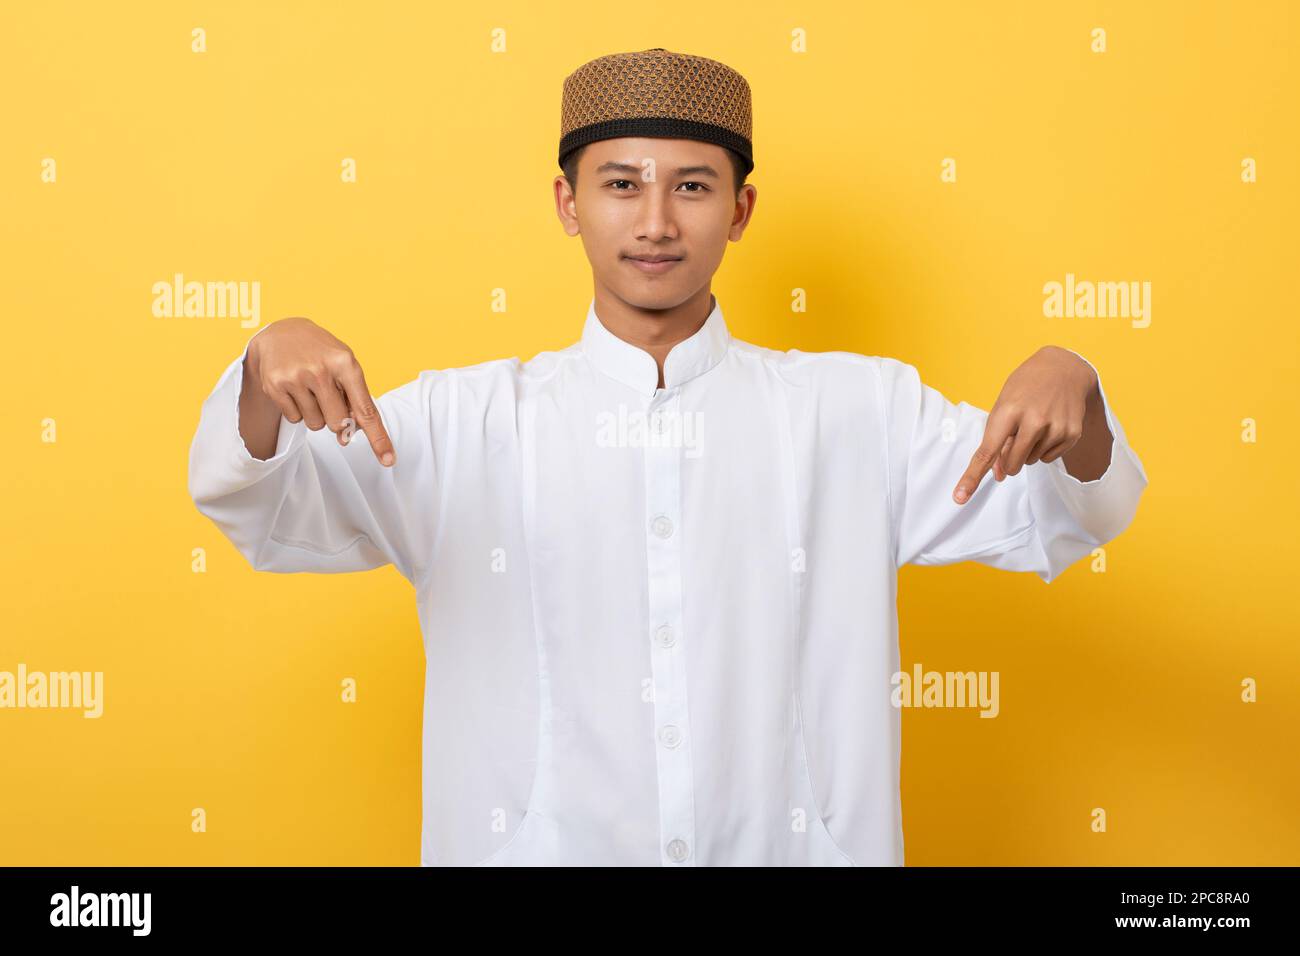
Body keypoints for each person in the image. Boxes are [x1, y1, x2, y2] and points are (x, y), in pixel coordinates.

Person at [187, 47, 1149, 866]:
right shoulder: (461, 423)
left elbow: (1063, 515)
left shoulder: (859, 412)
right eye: (621, 184)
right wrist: (261, 366)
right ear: (568, 203)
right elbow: (262, 509)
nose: (655, 221)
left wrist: (1078, 382)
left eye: (692, 186)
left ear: (740, 210)